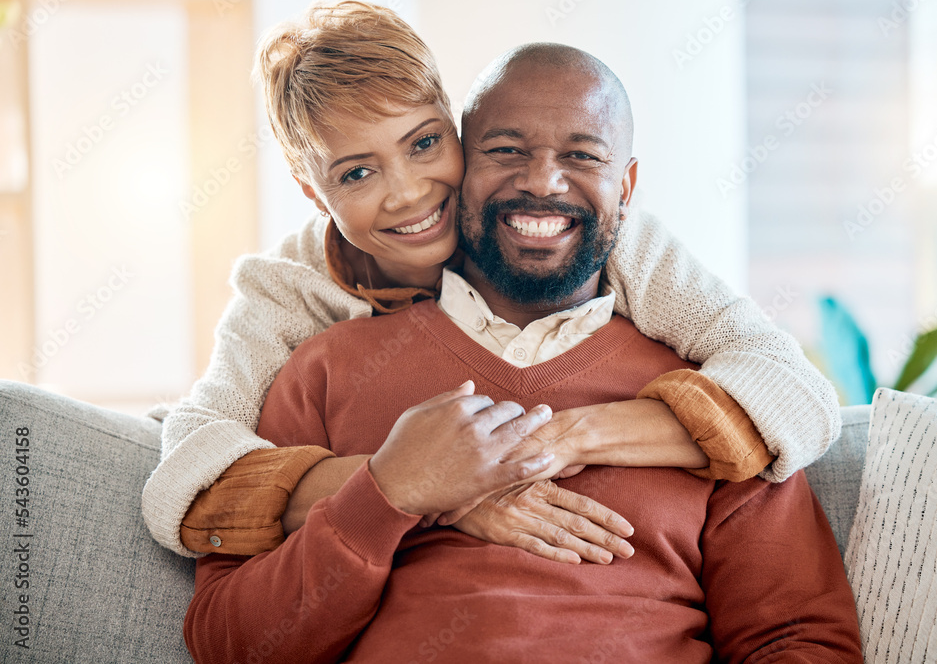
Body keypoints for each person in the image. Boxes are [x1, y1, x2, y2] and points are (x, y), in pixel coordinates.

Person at [183, 42, 863, 663]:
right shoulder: (321, 367)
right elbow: (230, 641)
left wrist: (549, 444)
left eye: (582, 156)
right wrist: (387, 495)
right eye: (506, 150)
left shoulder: (731, 406)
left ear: (626, 189)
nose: (543, 182)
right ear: (464, 170)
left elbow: (799, 640)